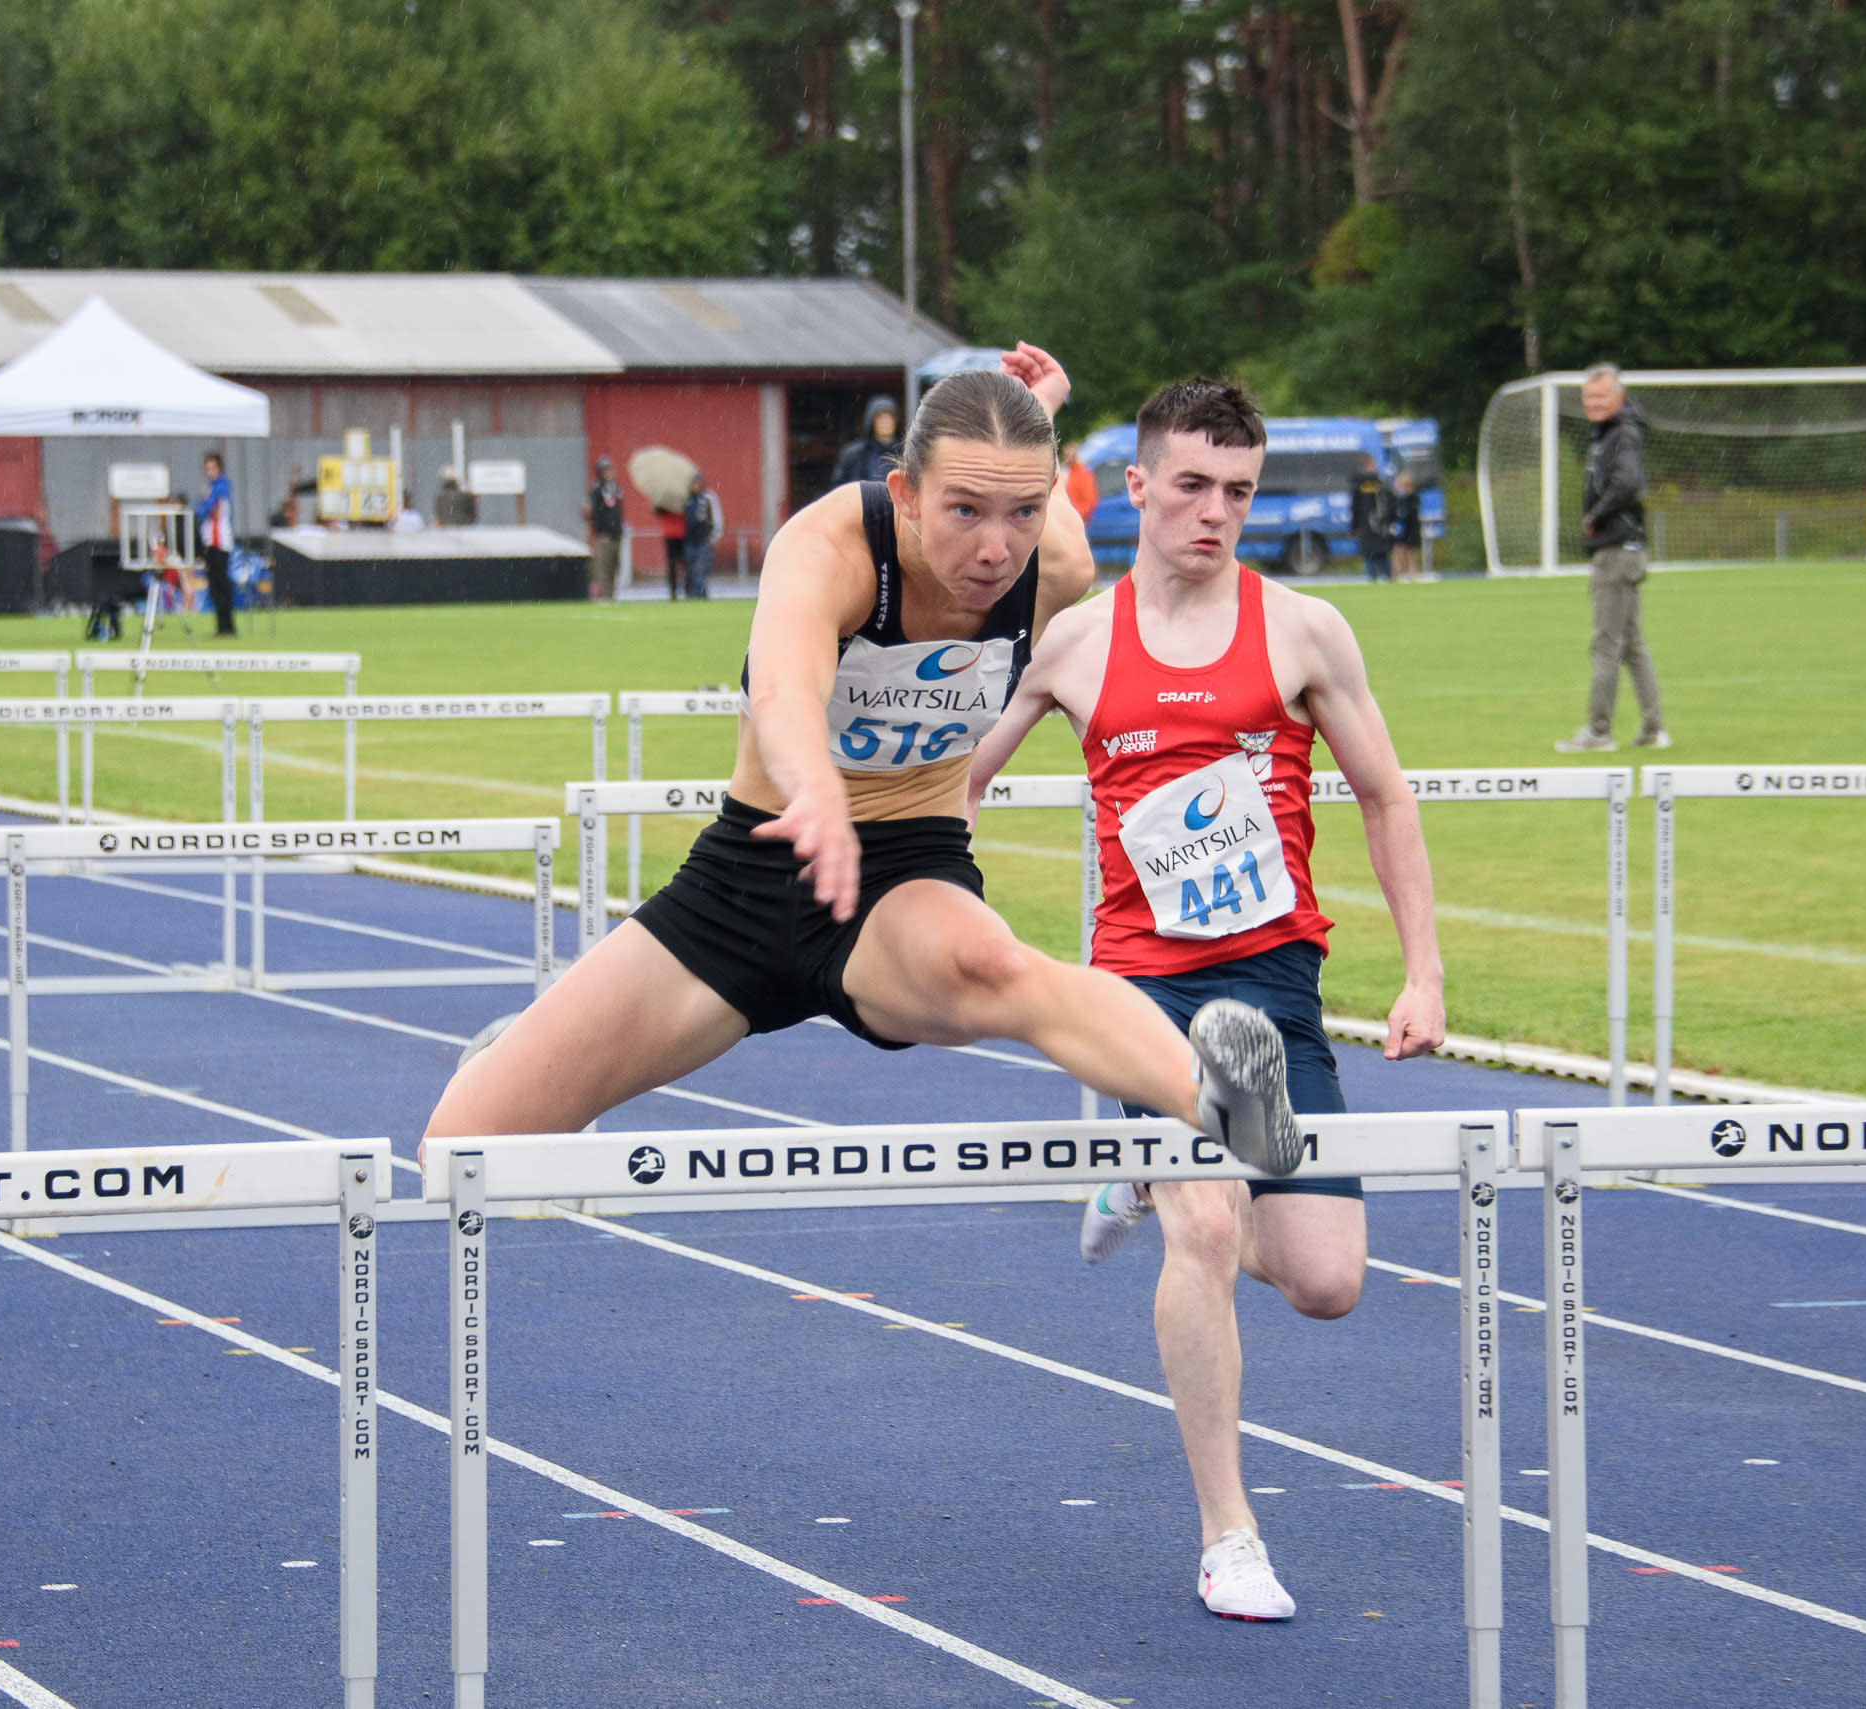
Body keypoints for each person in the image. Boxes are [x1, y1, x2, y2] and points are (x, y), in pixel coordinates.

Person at [424, 353, 1308, 1219]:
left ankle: (1218, 1095)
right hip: (751, 878)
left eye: (1023, 512)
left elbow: (1014, 488)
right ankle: (519, 1052)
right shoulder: (831, 547)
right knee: (456, 1152)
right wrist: (813, 788)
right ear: (906, 493)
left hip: (905, 872)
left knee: (996, 967)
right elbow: (784, 686)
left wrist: (1033, 408)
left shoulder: (1058, 568)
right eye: (963, 510)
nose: (995, 549)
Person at [968, 375, 1445, 1622]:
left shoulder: (1303, 631)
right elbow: (953, 785)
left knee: (1326, 1279)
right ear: (1135, 487)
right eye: (1190, 485)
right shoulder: (1076, 642)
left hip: (1271, 985)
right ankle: (1230, 1534)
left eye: (1237, 490)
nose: (1215, 511)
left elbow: (1385, 795)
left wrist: (1424, 971)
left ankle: (1138, 1173)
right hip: (1140, 985)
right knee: (1209, 1228)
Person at [1556, 365, 1666, 751]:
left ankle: (1598, 732)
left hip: (1616, 552)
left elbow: (1628, 484)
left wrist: (1596, 515)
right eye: (1589, 397)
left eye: (1601, 396)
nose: (1594, 403)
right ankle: (1653, 728)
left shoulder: (1622, 435)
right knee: (1631, 644)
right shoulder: (1613, 433)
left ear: (1619, 397)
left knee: (1605, 643)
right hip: (1626, 550)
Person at [195, 451, 239, 636]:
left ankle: (226, 626)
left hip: (218, 541)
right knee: (216, 584)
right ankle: (223, 625)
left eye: (213, 468)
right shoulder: (215, 487)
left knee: (220, 584)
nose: (210, 472)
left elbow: (204, 510)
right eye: (207, 468)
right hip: (212, 540)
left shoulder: (220, 486)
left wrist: (203, 501)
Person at [830, 396, 903, 489]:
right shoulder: (853, 455)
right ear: (871, 421)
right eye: (880, 418)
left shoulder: (907, 454)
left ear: (896, 421)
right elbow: (838, 488)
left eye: (889, 417)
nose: (885, 422)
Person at [584, 456, 622, 600]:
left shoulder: (614, 488)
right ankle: (606, 597)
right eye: (606, 470)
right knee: (603, 569)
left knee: (614, 567)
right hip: (604, 536)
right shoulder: (597, 490)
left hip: (615, 535)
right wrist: (600, 532)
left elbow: (616, 511)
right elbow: (596, 513)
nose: (609, 473)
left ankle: (611, 595)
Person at [1347, 455, 1390, 582]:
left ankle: (1377, 577)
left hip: (1370, 525)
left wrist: (1354, 526)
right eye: (1372, 466)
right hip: (1372, 525)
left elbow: (1354, 507)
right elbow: (1355, 507)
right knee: (1376, 554)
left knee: (1373, 553)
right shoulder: (1377, 483)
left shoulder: (1361, 484)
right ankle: (1380, 577)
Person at [680, 473, 719, 600]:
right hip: (689, 540)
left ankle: (701, 595)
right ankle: (692, 595)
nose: (695, 486)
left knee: (700, 570)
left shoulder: (707, 498)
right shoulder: (686, 500)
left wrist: (713, 537)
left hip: (703, 541)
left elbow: (717, 519)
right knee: (690, 570)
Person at [1388, 469, 1422, 581]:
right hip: (1397, 529)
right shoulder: (1394, 499)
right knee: (1396, 552)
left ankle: (1413, 575)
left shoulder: (1413, 498)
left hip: (1410, 529)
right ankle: (1397, 576)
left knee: (1409, 553)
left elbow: (1411, 513)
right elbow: (1391, 513)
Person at [1062, 439, 1099, 521]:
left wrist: (1080, 515)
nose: (1069, 458)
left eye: (1071, 455)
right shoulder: (1063, 471)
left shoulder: (1083, 473)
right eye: (1066, 455)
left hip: (1078, 518)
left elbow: (1091, 500)